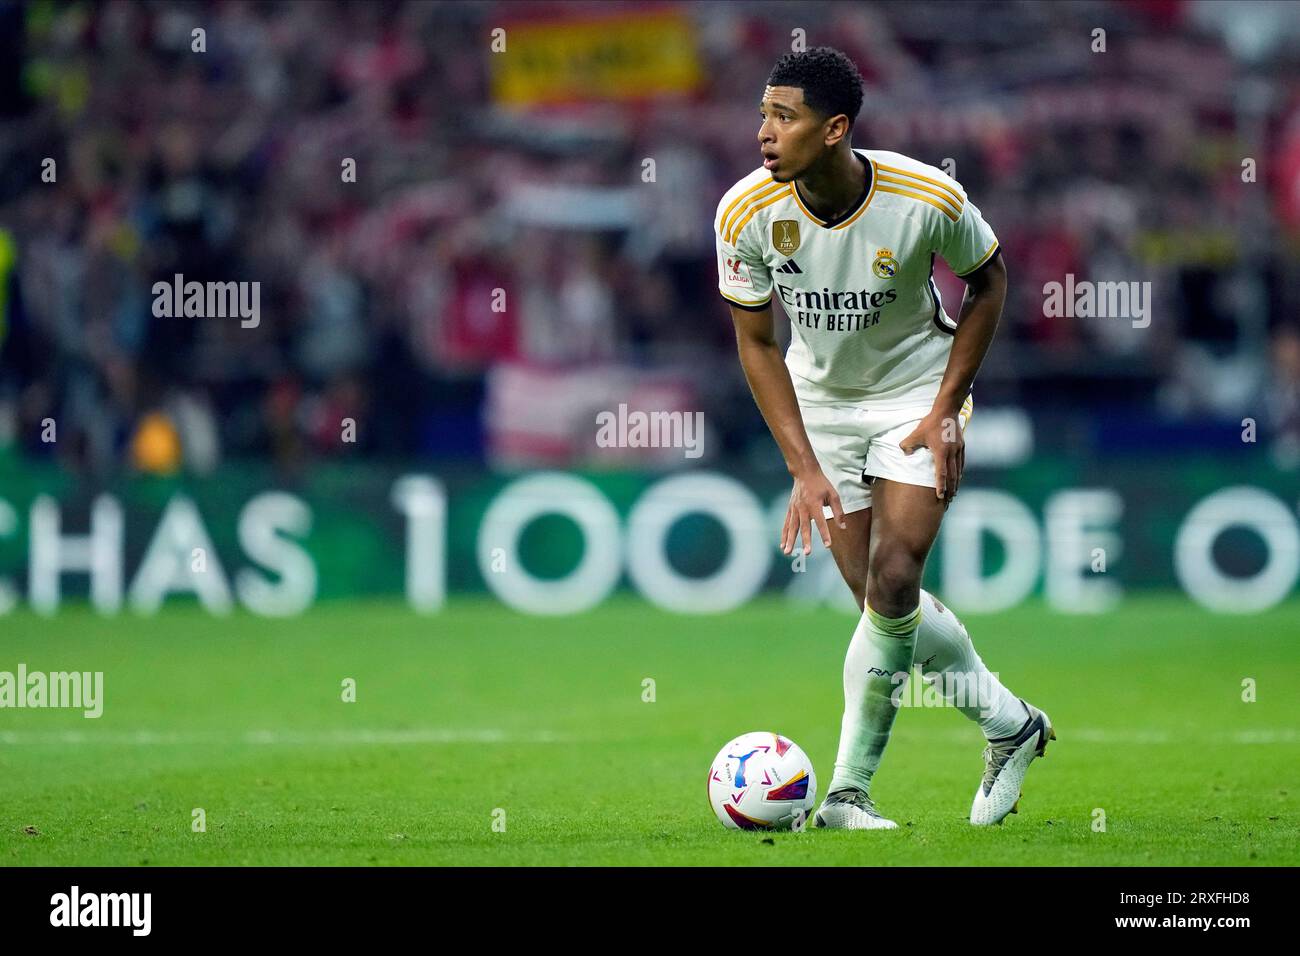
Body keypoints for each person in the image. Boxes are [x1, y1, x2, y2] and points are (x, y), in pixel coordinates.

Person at [716, 47, 1053, 829]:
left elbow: (990, 280)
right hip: (822, 407)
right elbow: (758, 344)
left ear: (834, 129)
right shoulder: (745, 211)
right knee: (879, 602)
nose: (763, 132)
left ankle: (845, 794)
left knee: (895, 577)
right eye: (763, 113)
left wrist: (947, 407)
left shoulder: (924, 196)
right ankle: (1011, 726)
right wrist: (803, 467)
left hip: (915, 398)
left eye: (783, 117)